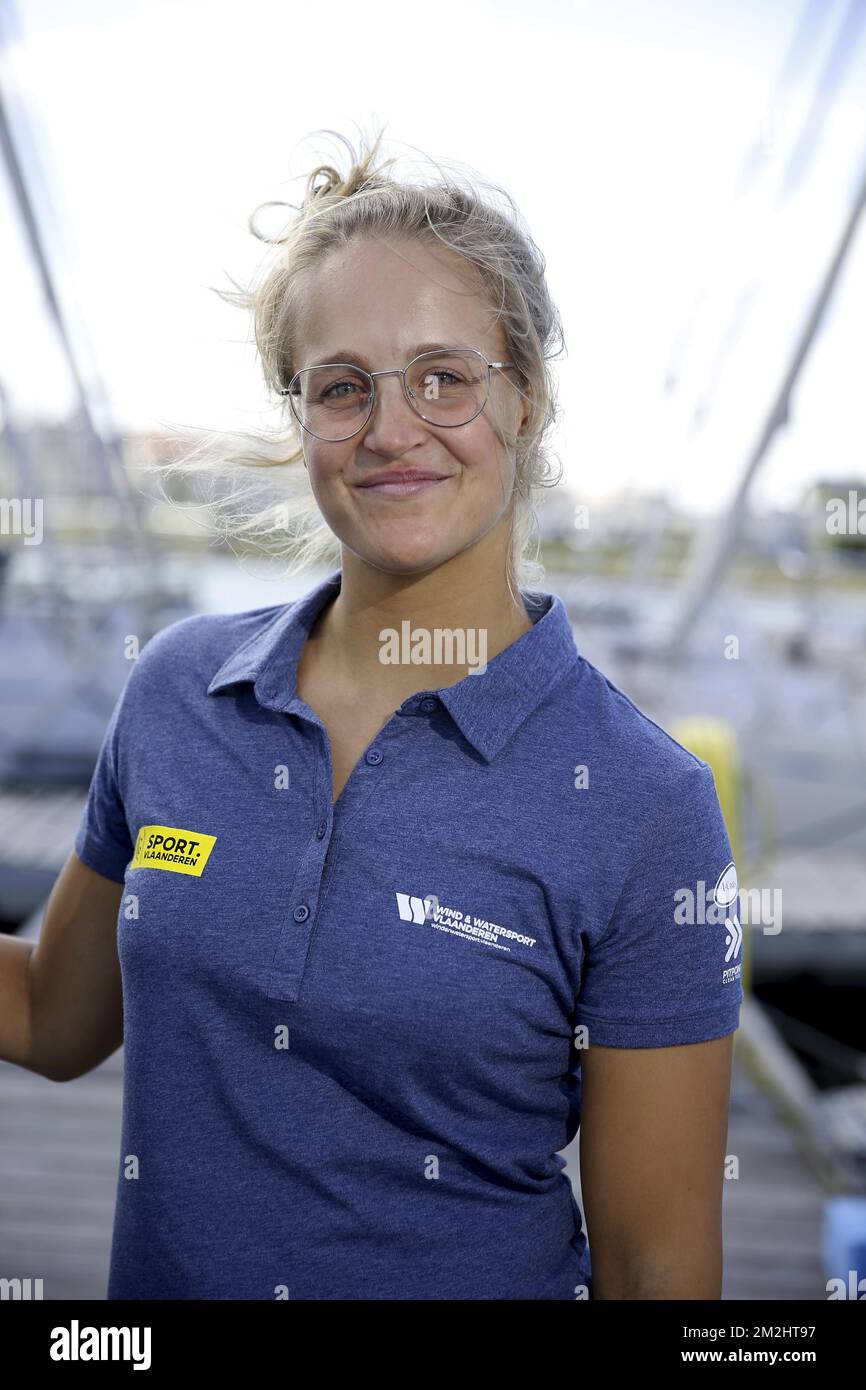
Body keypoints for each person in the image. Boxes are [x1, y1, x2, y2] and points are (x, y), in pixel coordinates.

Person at [0, 128, 743, 1300]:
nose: (393, 432)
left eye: (443, 376)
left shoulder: (645, 805)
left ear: (526, 401)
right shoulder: (176, 693)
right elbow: (51, 1011)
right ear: (301, 420)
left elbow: (657, 1271)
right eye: (341, 387)